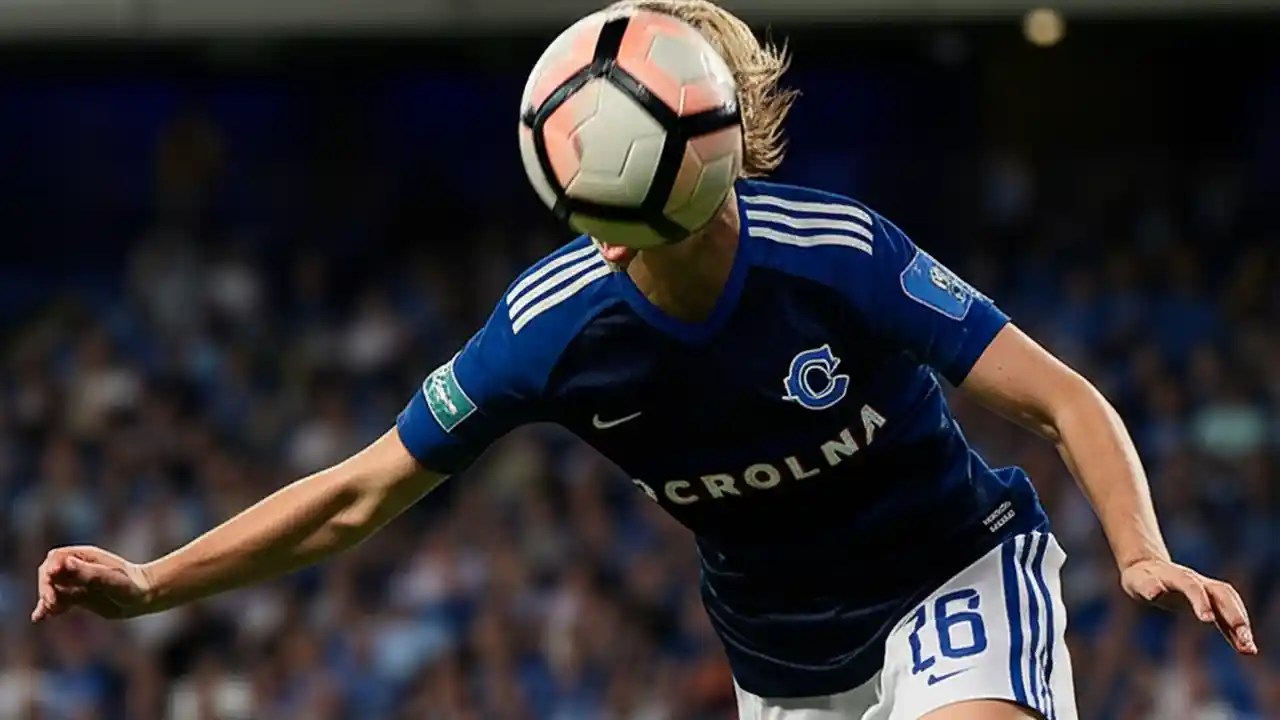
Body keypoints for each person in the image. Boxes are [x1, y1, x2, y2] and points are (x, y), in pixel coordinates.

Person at [31, 2, 1256, 718]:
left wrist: (1137, 551)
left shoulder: (835, 255)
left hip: (954, 578)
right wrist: (152, 582)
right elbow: (357, 493)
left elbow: (1059, 399)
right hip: (783, 661)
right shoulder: (551, 329)